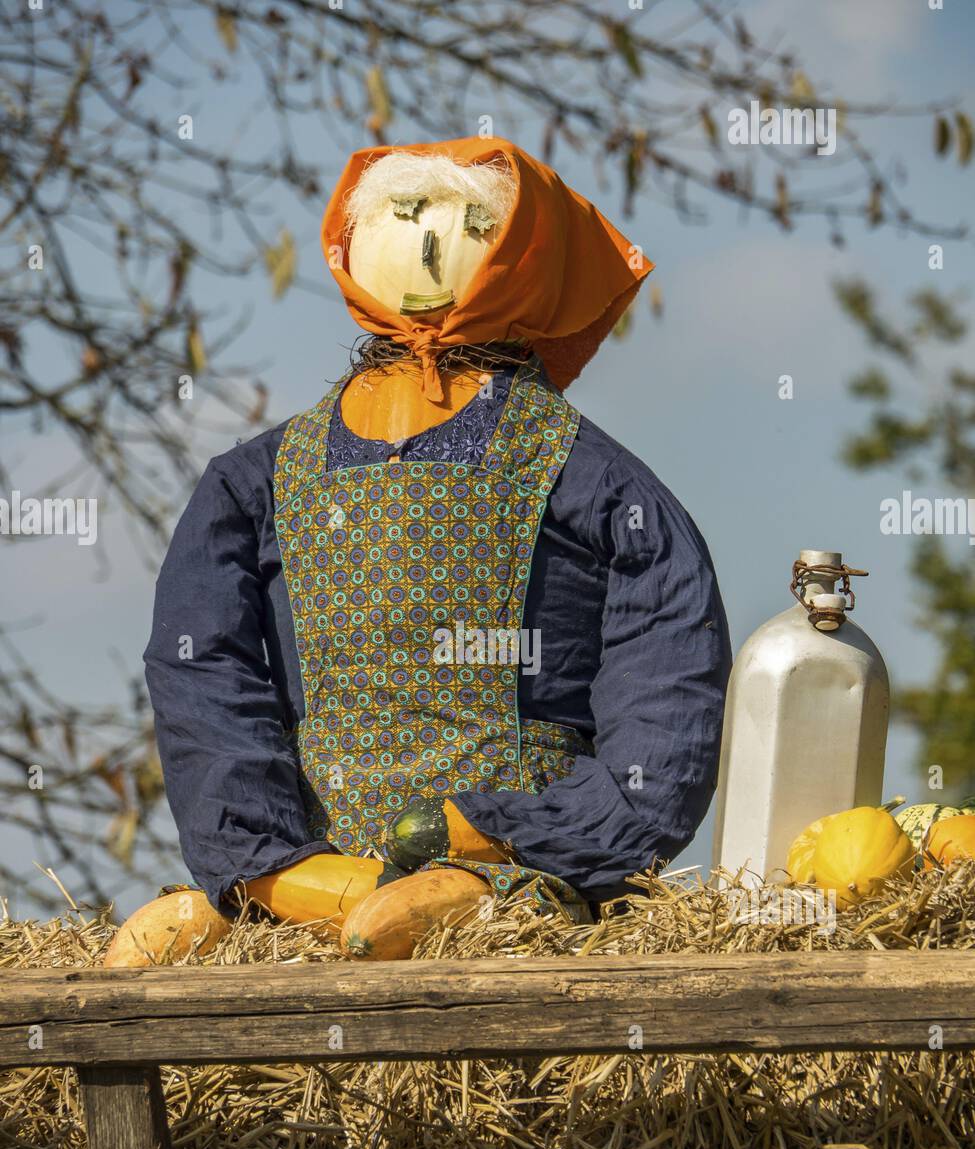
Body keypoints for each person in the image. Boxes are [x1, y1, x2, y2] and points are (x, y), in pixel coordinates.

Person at [105, 137, 731, 967]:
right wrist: (266, 860)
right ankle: (260, 904)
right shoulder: (250, 482)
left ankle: (457, 891)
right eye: (405, 214)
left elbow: (668, 679)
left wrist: (546, 837)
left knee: (411, 925)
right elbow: (201, 669)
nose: (433, 239)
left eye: (473, 220)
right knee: (158, 956)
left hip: (514, 873)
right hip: (307, 871)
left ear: (525, 259)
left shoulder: (600, 484)